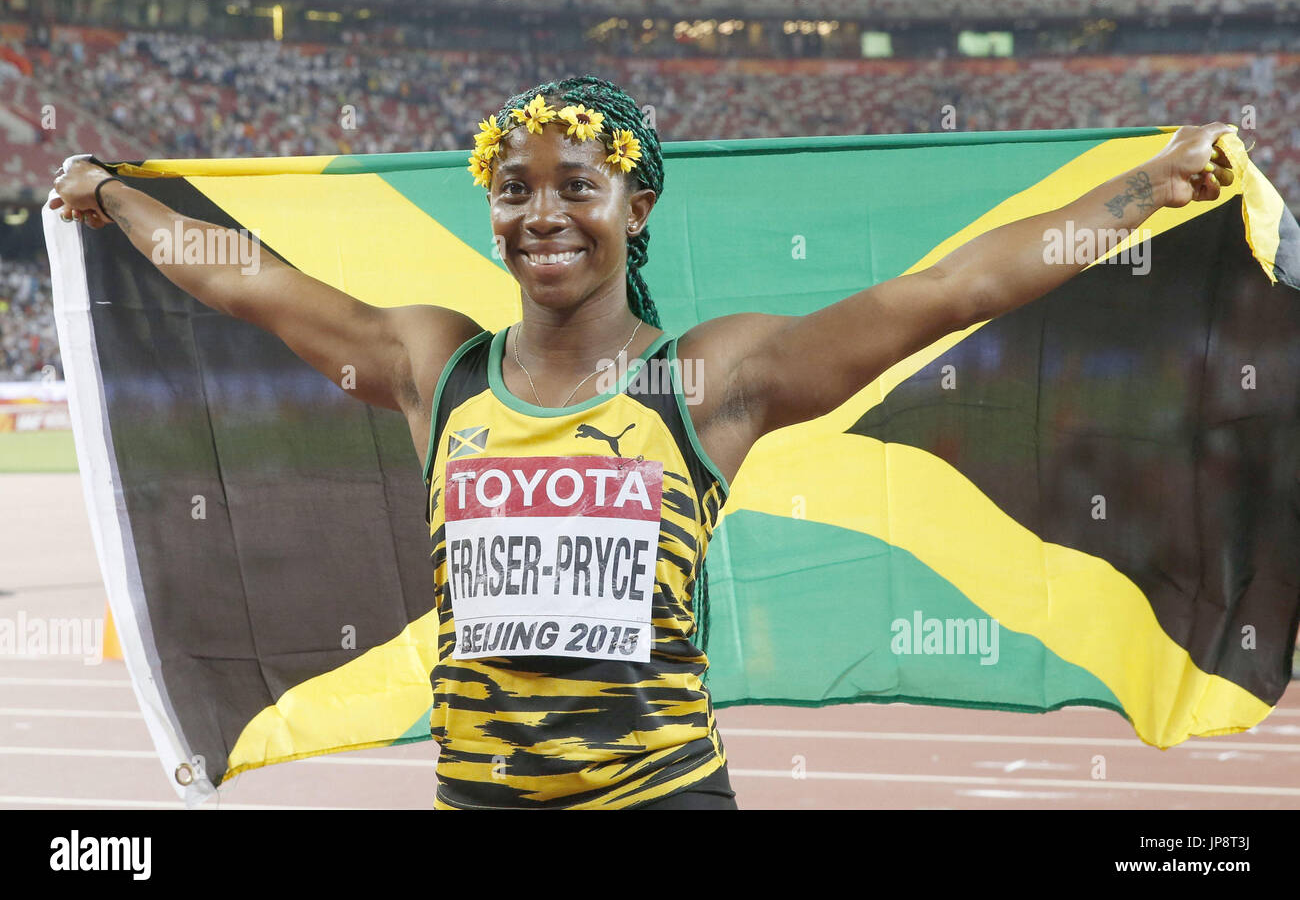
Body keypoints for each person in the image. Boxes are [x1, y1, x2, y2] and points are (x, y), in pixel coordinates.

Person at [50, 75, 1235, 809]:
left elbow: (950, 288)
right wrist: (116, 196)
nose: (543, 213)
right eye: (514, 188)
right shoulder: (437, 367)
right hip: (480, 799)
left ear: (639, 204)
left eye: (579, 184)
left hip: (660, 798)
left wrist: (1143, 186)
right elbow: (256, 284)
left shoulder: (710, 382)